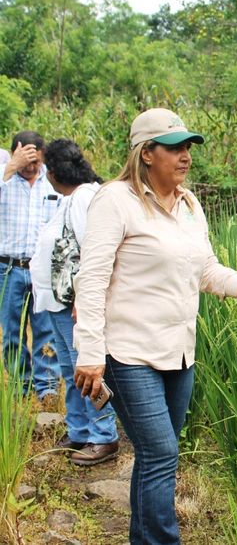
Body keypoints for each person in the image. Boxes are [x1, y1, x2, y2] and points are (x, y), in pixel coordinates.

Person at [72, 108, 237, 544]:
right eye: (175, 147)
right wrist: (90, 353)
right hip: (129, 351)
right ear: (146, 153)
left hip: (179, 352)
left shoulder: (190, 205)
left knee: (155, 457)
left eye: (189, 147)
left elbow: (206, 270)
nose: (186, 156)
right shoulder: (116, 200)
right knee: (161, 452)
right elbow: (93, 278)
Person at [30, 139, 120, 466]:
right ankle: (80, 429)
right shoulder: (71, 198)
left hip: (73, 303)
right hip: (59, 302)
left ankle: (103, 435)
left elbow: (92, 252)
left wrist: (85, 298)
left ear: (55, 172)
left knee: (86, 370)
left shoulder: (83, 197)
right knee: (71, 371)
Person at [0, 131, 62, 401]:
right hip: (8, 268)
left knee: (45, 329)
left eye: (35, 161)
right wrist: (11, 167)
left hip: (43, 268)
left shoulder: (52, 181)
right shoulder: (5, 179)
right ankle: (20, 385)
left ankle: (47, 387)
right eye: (25, 161)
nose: (30, 167)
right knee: (11, 333)